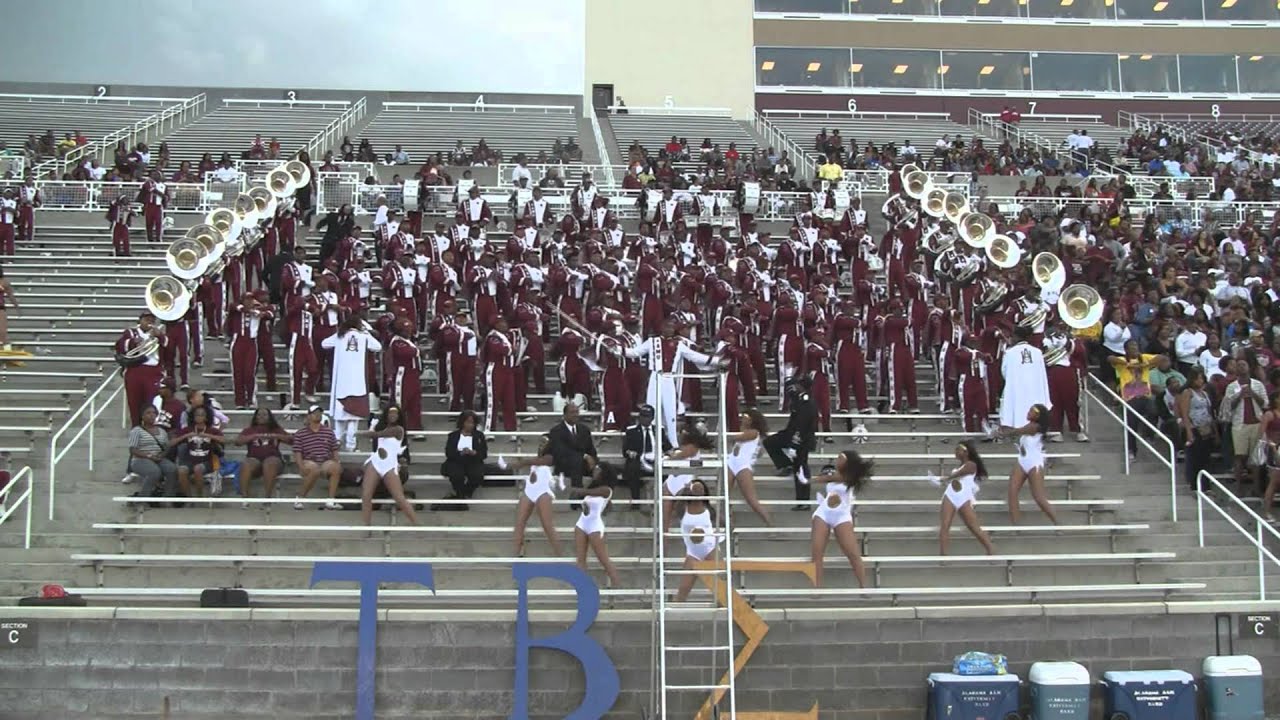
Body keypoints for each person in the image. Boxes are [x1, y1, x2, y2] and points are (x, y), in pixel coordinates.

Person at [806, 450, 871, 588]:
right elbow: (830, 479)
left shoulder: (850, 477)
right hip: (824, 513)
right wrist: (814, 479)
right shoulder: (834, 476)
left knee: (853, 553)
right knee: (817, 552)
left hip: (841, 516)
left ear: (847, 462)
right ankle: (816, 587)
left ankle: (863, 586)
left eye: (840, 458)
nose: (837, 460)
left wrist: (811, 479)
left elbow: (833, 478)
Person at [322, 315, 382, 450]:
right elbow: (377, 347)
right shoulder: (364, 336)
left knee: (339, 417)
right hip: (357, 383)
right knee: (353, 418)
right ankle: (351, 446)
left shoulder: (339, 336)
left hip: (341, 383)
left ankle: (336, 444)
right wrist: (366, 333)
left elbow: (324, 343)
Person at [358, 405, 419, 527]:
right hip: (376, 461)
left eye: (395, 413)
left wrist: (365, 432)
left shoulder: (399, 430)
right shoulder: (380, 427)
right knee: (366, 495)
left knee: (399, 497)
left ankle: (417, 524)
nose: (393, 415)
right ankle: (366, 526)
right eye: (390, 413)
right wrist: (372, 427)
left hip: (389, 464)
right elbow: (376, 436)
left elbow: (378, 435)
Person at [930, 440, 994, 555]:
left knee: (974, 527)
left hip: (964, 497)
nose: (955, 451)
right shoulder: (959, 467)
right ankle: (943, 556)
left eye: (958, 449)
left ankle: (991, 551)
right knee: (945, 525)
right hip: (950, 494)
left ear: (965, 452)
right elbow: (955, 477)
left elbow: (959, 474)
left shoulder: (971, 465)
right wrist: (942, 481)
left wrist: (944, 479)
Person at [998, 404, 1058, 525]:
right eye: (1029, 409)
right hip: (1022, 461)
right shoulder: (1029, 426)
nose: (1029, 412)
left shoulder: (1035, 427)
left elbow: (1016, 431)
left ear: (1038, 416)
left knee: (1038, 496)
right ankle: (1016, 525)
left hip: (1034, 463)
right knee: (1012, 492)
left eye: (1032, 411)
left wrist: (1001, 432)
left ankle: (1057, 523)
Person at [764, 376, 817, 510]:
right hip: (791, 434)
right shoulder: (797, 400)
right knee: (770, 442)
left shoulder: (806, 402)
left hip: (802, 440)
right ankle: (785, 464)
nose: (790, 389)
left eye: (793, 386)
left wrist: (794, 444)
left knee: (800, 468)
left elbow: (802, 425)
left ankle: (804, 501)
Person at [566, 462, 622, 587]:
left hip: (594, 526)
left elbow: (586, 492)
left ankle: (617, 586)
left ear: (604, 472)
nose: (594, 471)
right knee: (580, 559)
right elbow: (587, 503)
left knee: (604, 560)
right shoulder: (592, 488)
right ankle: (582, 588)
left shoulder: (606, 490)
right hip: (582, 523)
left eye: (597, 469)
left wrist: (574, 489)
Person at [506, 438, 564, 557]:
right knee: (519, 522)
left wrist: (520, 463)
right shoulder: (536, 460)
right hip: (530, 490)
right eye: (540, 442)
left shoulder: (549, 458)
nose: (541, 445)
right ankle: (515, 555)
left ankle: (560, 556)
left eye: (545, 442)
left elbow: (533, 462)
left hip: (543, 491)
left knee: (547, 525)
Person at [659, 418, 715, 535]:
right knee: (664, 523)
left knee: (687, 520)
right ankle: (662, 551)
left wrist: (670, 456)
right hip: (671, 484)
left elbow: (676, 457)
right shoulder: (682, 448)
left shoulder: (692, 448)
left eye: (682, 433)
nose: (680, 436)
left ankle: (719, 522)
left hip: (685, 486)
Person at [1223, 357, 1267, 496]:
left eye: (1244, 364)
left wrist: (1252, 393)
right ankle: (1238, 487)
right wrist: (1240, 395)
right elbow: (1229, 407)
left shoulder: (1258, 384)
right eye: (1239, 365)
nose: (1241, 367)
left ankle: (1256, 487)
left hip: (1257, 423)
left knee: (1257, 457)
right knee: (1239, 456)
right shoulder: (1231, 386)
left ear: (1249, 367)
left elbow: (1265, 404)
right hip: (1240, 424)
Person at [672, 478, 720, 602]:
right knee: (683, 590)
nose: (699, 492)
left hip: (711, 550)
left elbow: (724, 523)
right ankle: (673, 618)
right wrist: (686, 489)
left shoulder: (709, 509)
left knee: (720, 590)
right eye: (696, 489)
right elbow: (675, 500)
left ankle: (730, 616)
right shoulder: (683, 508)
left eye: (701, 489)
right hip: (693, 553)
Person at [115, 311, 167, 427]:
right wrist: (133, 342)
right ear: (140, 321)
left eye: (152, 320)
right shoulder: (131, 332)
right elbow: (120, 345)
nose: (149, 323)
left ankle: (151, 428)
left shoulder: (157, 333)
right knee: (134, 402)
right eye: (146, 320)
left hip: (153, 371)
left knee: (151, 401)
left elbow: (168, 348)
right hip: (135, 369)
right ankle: (136, 427)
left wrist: (160, 336)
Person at [234, 407, 291, 504]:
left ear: (269, 417)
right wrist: (254, 436)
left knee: (269, 462)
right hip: (254, 460)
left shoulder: (276, 429)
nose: (261, 417)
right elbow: (237, 442)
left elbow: (291, 440)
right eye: (259, 414)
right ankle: (244, 497)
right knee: (246, 463)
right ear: (255, 417)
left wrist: (275, 436)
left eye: (265, 414)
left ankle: (267, 497)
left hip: (274, 460)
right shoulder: (249, 430)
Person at [291, 404, 343, 510]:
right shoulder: (300, 433)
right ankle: (300, 497)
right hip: (308, 460)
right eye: (315, 413)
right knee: (314, 469)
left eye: (319, 413)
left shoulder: (328, 432)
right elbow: (297, 452)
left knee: (335, 468)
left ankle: (330, 500)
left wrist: (337, 461)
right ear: (309, 416)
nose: (318, 415)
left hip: (325, 461)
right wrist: (300, 466)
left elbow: (334, 449)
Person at [999, 325, 1051, 430]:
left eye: (1012, 336)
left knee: (1018, 409)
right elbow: (1042, 372)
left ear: (1016, 337)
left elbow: (1004, 372)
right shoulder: (1037, 352)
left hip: (1017, 389)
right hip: (1035, 388)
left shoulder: (1010, 353)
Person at [725, 408, 772, 526]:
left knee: (751, 499)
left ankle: (770, 524)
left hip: (743, 466)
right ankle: (729, 521)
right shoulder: (743, 431)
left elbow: (736, 438)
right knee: (724, 494)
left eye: (746, 417)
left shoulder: (754, 432)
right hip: (731, 462)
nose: (743, 418)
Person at [1176, 367, 1217, 494]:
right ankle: (1194, 486)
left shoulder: (1205, 393)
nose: (1201, 380)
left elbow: (1210, 412)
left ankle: (1206, 486)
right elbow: (1185, 413)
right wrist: (1189, 432)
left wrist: (1215, 431)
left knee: (1206, 458)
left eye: (1202, 378)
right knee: (1195, 458)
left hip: (1206, 427)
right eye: (1198, 378)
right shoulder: (1187, 392)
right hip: (1194, 428)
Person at [547, 402, 598, 500]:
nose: (575, 415)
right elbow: (561, 451)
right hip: (564, 465)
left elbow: (591, 449)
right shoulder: (556, 431)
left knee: (606, 469)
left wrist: (595, 462)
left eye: (577, 412)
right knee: (576, 462)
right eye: (572, 412)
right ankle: (577, 498)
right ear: (565, 415)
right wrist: (585, 456)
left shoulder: (584, 429)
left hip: (584, 464)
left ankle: (599, 498)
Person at [439, 410, 488, 510]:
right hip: (456, 461)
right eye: (467, 422)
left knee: (477, 475)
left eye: (472, 422)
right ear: (462, 422)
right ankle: (460, 495)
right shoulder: (453, 435)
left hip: (473, 461)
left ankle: (465, 492)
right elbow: (449, 452)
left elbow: (484, 453)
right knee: (456, 475)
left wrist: (474, 453)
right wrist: (460, 453)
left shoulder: (479, 436)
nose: (470, 425)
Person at [621, 404, 669, 503]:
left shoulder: (659, 430)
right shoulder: (631, 430)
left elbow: (667, 447)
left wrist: (672, 454)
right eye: (642, 416)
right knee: (632, 467)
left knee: (669, 468)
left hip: (656, 460)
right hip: (639, 460)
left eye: (647, 416)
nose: (644, 419)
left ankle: (662, 499)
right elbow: (625, 450)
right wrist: (630, 453)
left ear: (652, 418)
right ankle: (636, 500)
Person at [127, 405, 177, 500]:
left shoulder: (162, 431)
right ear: (142, 416)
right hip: (140, 459)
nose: (152, 415)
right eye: (148, 413)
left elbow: (166, 447)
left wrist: (161, 455)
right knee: (154, 472)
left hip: (158, 457)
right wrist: (149, 456)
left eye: (154, 413)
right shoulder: (136, 431)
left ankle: (167, 498)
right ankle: (143, 499)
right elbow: (133, 449)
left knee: (172, 469)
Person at [0, 264, 16, 351]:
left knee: (2, 332)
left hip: (0, 308)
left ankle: (7, 351)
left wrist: (16, 306)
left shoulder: (4, 282)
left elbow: (10, 295)